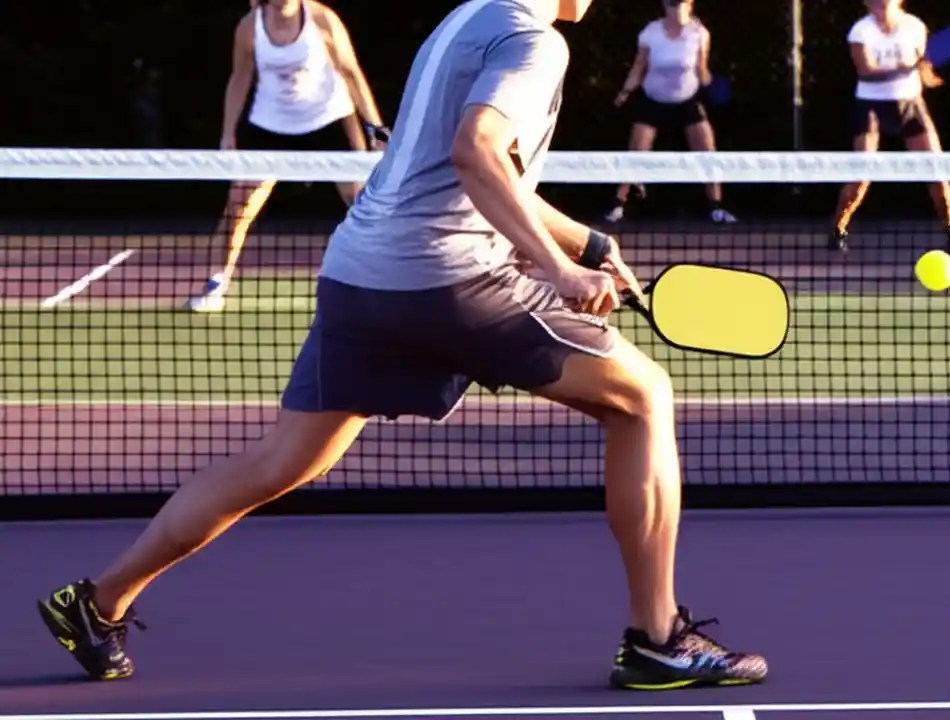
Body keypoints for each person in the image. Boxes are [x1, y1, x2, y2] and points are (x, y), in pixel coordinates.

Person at [36, 0, 769, 692]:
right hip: (444, 279)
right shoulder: (536, 41)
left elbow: (481, 168)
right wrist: (556, 268)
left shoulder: (463, 19)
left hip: (359, 275)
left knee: (280, 460)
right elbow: (477, 153)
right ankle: (657, 638)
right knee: (643, 398)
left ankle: (97, 603)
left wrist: (590, 244)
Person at [186, 0, 387, 312]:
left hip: (329, 118)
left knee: (362, 204)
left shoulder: (323, 19)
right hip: (271, 124)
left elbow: (350, 72)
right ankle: (216, 282)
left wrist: (375, 127)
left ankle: (385, 281)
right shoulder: (250, 26)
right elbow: (240, 77)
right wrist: (228, 132)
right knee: (239, 205)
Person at [828, 0, 950, 254]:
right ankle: (838, 229)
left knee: (936, 170)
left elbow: (923, 66)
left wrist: (926, 74)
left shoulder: (915, 26)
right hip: (871, 107)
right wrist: (905, 68)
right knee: (861, 175)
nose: (880, 3)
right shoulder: (860, 31)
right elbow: (866, 72)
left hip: (910, 105)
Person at [604, 0, 736, 225]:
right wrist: (624, 93)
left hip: (687, 101)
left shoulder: (699, 34)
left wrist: (714, 88)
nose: (675, 7)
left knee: (708, 153)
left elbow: (701, 70)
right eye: (672, 4)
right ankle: (618, 206)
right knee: (635, 154)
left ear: (690, 5)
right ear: (665, 6)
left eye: (680, 3)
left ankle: (716, 208)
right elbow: (638, 67)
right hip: (652, 100)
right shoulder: (650, 33)